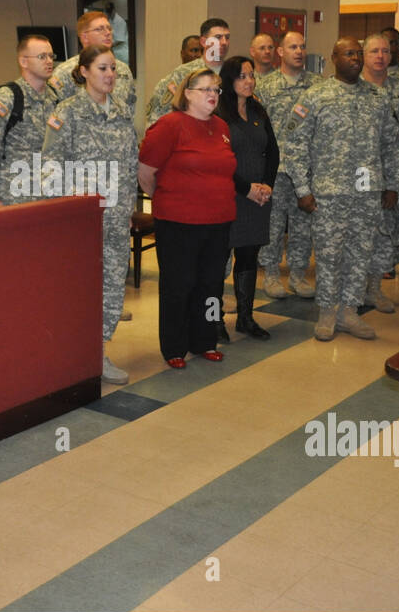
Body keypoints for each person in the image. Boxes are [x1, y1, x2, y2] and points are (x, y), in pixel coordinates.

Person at [281, 37, 399, 342]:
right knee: (329, 255)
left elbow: (391, 143)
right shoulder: (315, 96)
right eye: (349, 54)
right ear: (334, 57)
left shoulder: (377, 97)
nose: (356, 58)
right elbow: (294, 144)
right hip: (328, 193)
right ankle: (327, 313)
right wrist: (303, 189)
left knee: (361, 253)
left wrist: (391, 184)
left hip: (367, 192)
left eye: (358, 54)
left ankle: (349, 312)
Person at [41, 44, 138, 384]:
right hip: (80, 222)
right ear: (83, 72)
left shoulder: (123, 112)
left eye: (113, 69)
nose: (110, 75)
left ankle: (98, 351)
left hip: (115, 219)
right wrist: (65, 212)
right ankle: (70, 354)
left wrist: (129, 209)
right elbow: (50, 165)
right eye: (102, 68)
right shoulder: (67, 112)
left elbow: (130, 165)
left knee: (112, 287)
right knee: (77, 289)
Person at [138, 67, 234, 367]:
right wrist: (168, 198)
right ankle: (175, 347)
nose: (212, 95)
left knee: (211, 286)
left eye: (216, 89)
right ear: (187, 93)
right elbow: (145, 173)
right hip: (178, 223)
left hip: (218, 222)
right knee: (178, 286)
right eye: (205, 89)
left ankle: (205, 340)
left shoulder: (221, 127)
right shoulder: (169, 125)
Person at [214, 56, 278, 341]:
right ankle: (213, 319)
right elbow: (218, 161)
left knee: (249, 256)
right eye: (242, 76)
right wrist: (246, 188)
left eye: (251, 75)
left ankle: (245, 317)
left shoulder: (258, 110)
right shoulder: (217, 113)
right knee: (218, 260)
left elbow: (273, 151)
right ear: (229, 80)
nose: (249, 81)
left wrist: (267, 185)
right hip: (228, 196)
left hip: (257, 199)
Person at [256, 30, 318, 300]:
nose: (299, 52)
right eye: (293, 47)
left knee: (303, 225)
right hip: (276, 169)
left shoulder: (318, 86)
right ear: (280, 52)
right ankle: (271, 274)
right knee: (273, 224)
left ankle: (298, 275)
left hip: (307, 169)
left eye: (302, 46)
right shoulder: (265, 86)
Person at [360, 31, 399, 313]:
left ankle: (375, 289)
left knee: (385, 233)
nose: (380, 57)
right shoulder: (352, 88)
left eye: (385, 51)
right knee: (358, 233)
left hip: (393, 172)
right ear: (364, 56)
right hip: (359, 173)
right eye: (374, 52)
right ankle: (352, 290)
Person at [0, 34, 59, 206]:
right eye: (42, 56)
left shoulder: (55, 99)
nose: (49, 61)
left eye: (51, 56)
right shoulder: (6, 98)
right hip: (13, 197)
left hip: (48, 195)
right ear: (23, 62)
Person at [146, 18, 230, 125]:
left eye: (227, 38)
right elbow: (159, 114)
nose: (224, 42)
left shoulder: (233, 72)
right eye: (218, 37)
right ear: (203, 42)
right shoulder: (183, 73)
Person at [49, 11, 136, 112]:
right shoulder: (63, 72)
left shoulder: (123, 70)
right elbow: (54, 111)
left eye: (109, 28)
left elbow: (130, 107)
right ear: (85, 37)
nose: (108, 33)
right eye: (100, 29)